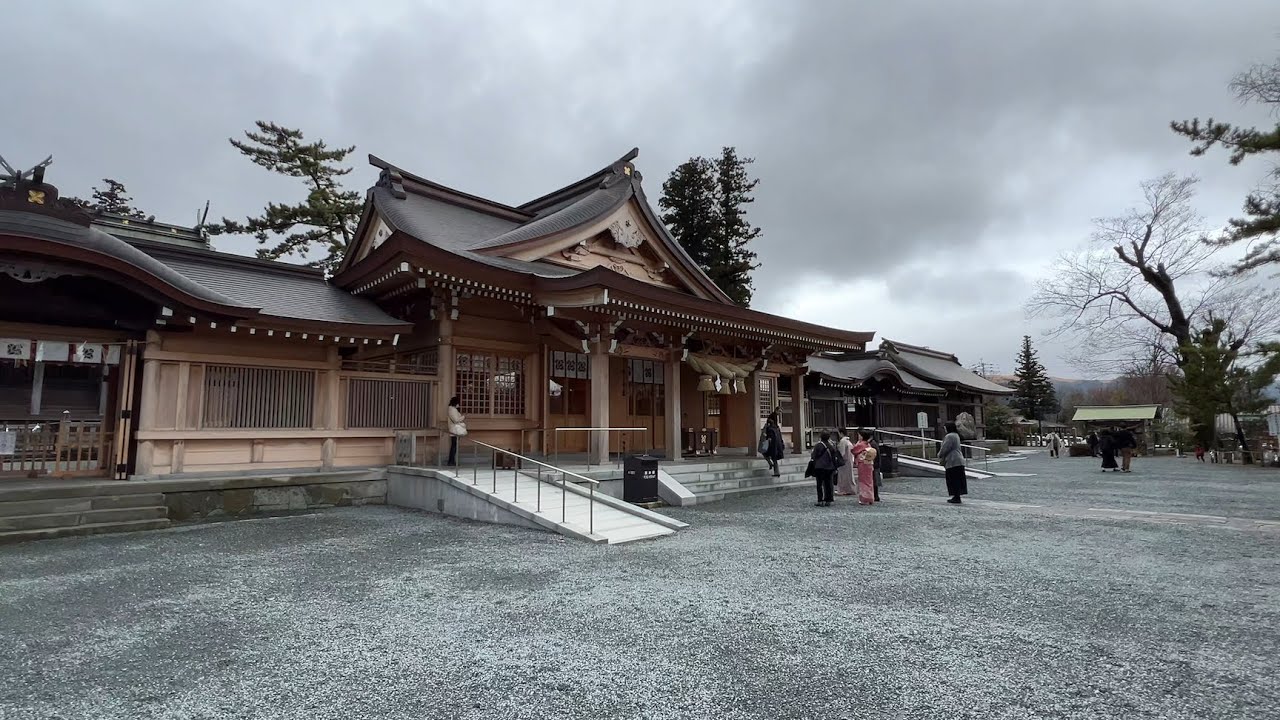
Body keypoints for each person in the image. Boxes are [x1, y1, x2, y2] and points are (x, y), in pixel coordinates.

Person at [809, 431, 841, 507]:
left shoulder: (818, 445)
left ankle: (820, 500)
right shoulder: (831, 446)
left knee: (819, 484)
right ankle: (828, 500)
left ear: (820, 437)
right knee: (828, 484)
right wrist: (835, 468)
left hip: (819, 467)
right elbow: (834, 458)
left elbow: (813, 456)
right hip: (829, 467)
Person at [938, 422, 967, 504]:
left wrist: (939, 454)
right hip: (958, 459)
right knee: (958, 479)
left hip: (952, 460)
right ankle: (957, 496)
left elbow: (945, 447)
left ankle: (956, 496)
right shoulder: (956, 435)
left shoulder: (949, 436)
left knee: (953, 479)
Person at [854, 429, 878, 505]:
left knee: (863, 481)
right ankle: (871, 497)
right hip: (869, 463)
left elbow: (853, 450)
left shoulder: (861, 444)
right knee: (869, 481)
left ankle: (864, 498)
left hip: (863, 464)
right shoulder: (868, 444)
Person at [834, 428, 856, 496]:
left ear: (841, 433)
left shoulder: (843, 441)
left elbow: (841, 453)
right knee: (849, 476)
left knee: (842, 476)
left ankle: (842, 490)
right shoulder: (848, 441)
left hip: (844, 461)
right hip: (849, 460)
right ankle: (851, 489)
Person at [446, 395, 466, 466]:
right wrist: (463, 417)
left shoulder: (452, 409)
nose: (459, 404)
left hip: (454, 429)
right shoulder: (452, 410)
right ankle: (451, 461)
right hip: (455, 430)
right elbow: (456, 420)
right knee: (454, 446)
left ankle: (452, 461)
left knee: (454, 446)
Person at [870, 435, 883, 502]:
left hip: (875, 465)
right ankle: (875, 495)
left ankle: (875, 496)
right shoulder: (873, 443)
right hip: (876, 464)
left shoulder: (872, 444)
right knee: (874, 480)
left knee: (874, 480)